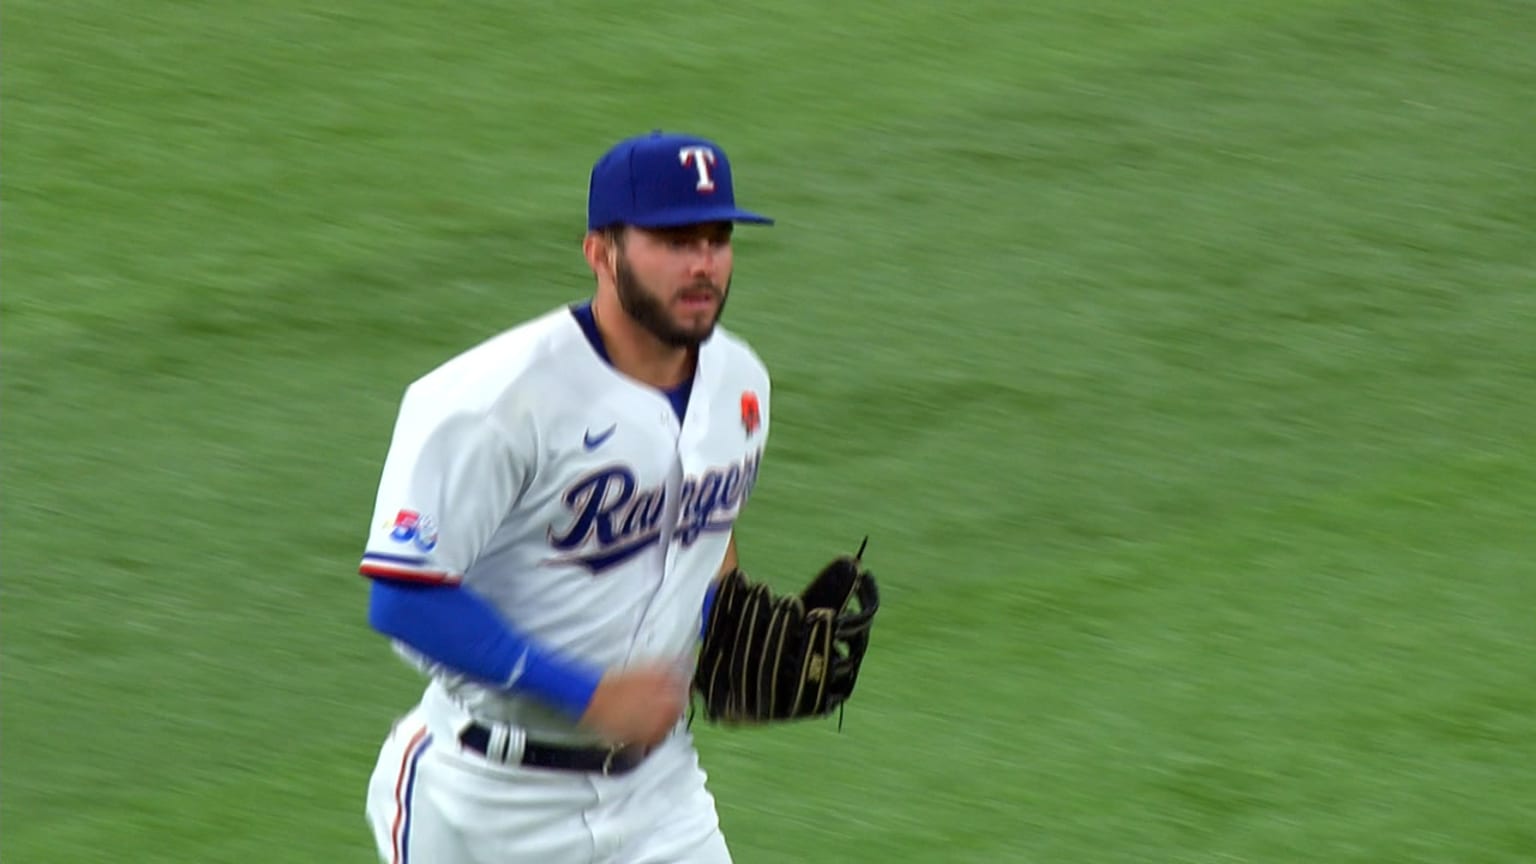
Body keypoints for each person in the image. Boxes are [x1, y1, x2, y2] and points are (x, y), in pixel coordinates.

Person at [357, 130, 783, 864]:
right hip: (484, 801)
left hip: (660, 800)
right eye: (673, 240)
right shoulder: (491, 400)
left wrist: (730, 631)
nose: (702, 263)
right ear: (600, 251)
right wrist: (588, 695)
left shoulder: (740, 382)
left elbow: (701, 534)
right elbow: (402, 595)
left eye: (717, 239)